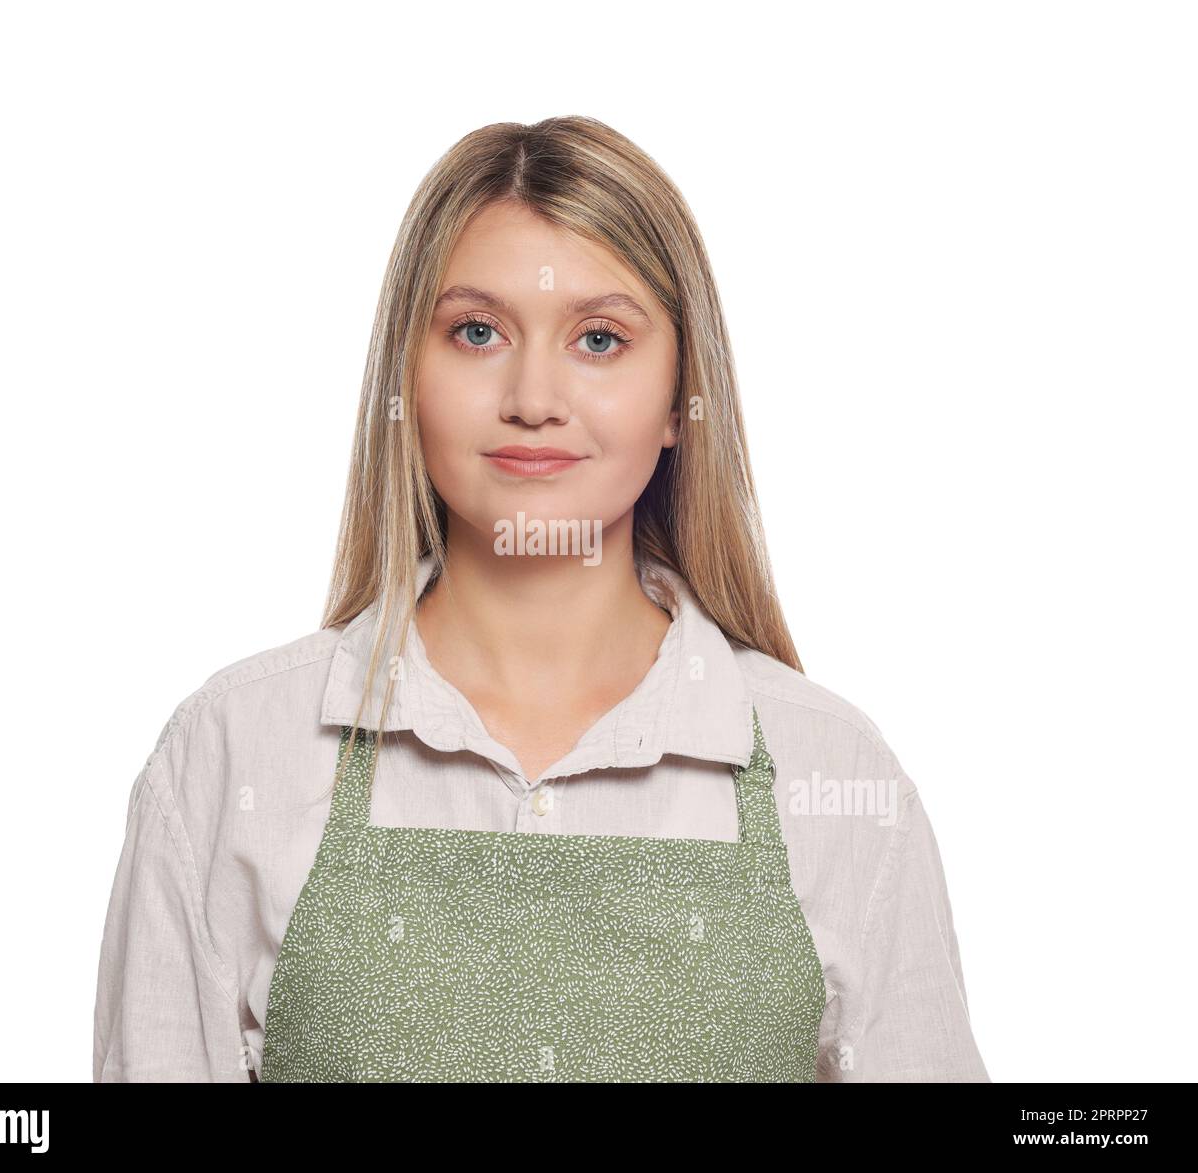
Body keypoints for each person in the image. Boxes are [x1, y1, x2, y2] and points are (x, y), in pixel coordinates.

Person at [93, 115, 989, 1083]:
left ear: (682, 396)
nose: (532, 396)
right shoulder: (233, 752)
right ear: (408, 373)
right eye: (476, 332)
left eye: (599, 339)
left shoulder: (833, 772)